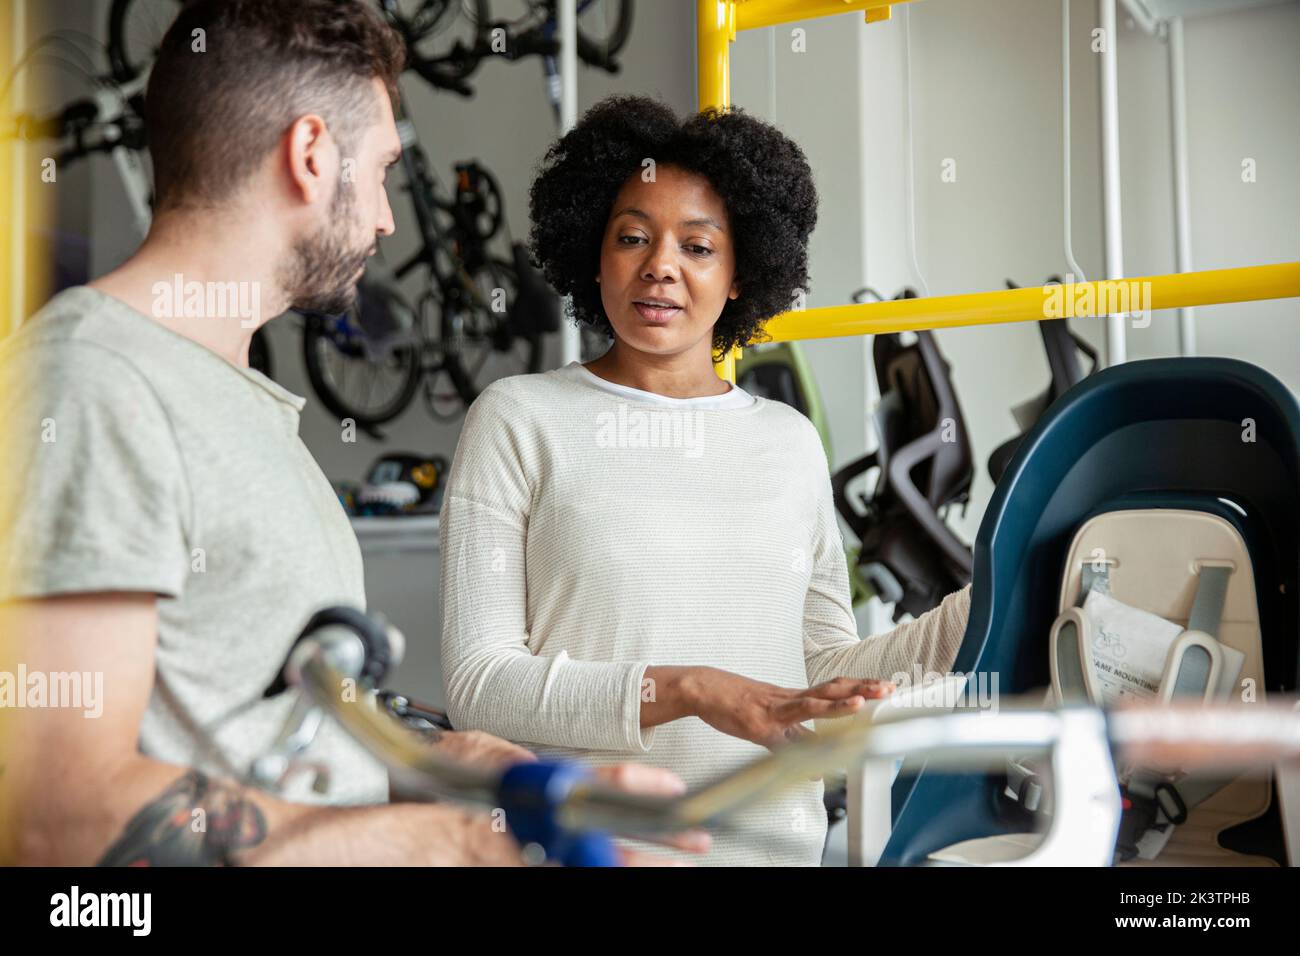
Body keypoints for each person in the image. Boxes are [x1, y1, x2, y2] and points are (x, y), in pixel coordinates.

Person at [0, 0, 697, 867]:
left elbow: (268, 726)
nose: (385, 218)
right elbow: (57, 814)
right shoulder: (93, 380)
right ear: (309, 155)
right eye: (380, 172)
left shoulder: (243, 406)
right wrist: (453, 848)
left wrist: (473, 772)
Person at [438, 95, 973, 865]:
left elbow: (816, 674)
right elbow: (481, 686)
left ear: (738, 278)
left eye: (697, 247)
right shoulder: (520, 419)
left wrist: (984, 605)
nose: (661, 265)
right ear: (594, 256)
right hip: (589, 851)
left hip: (770, 852)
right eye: (632, 238)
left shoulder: (788, 443)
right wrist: (689, 690)